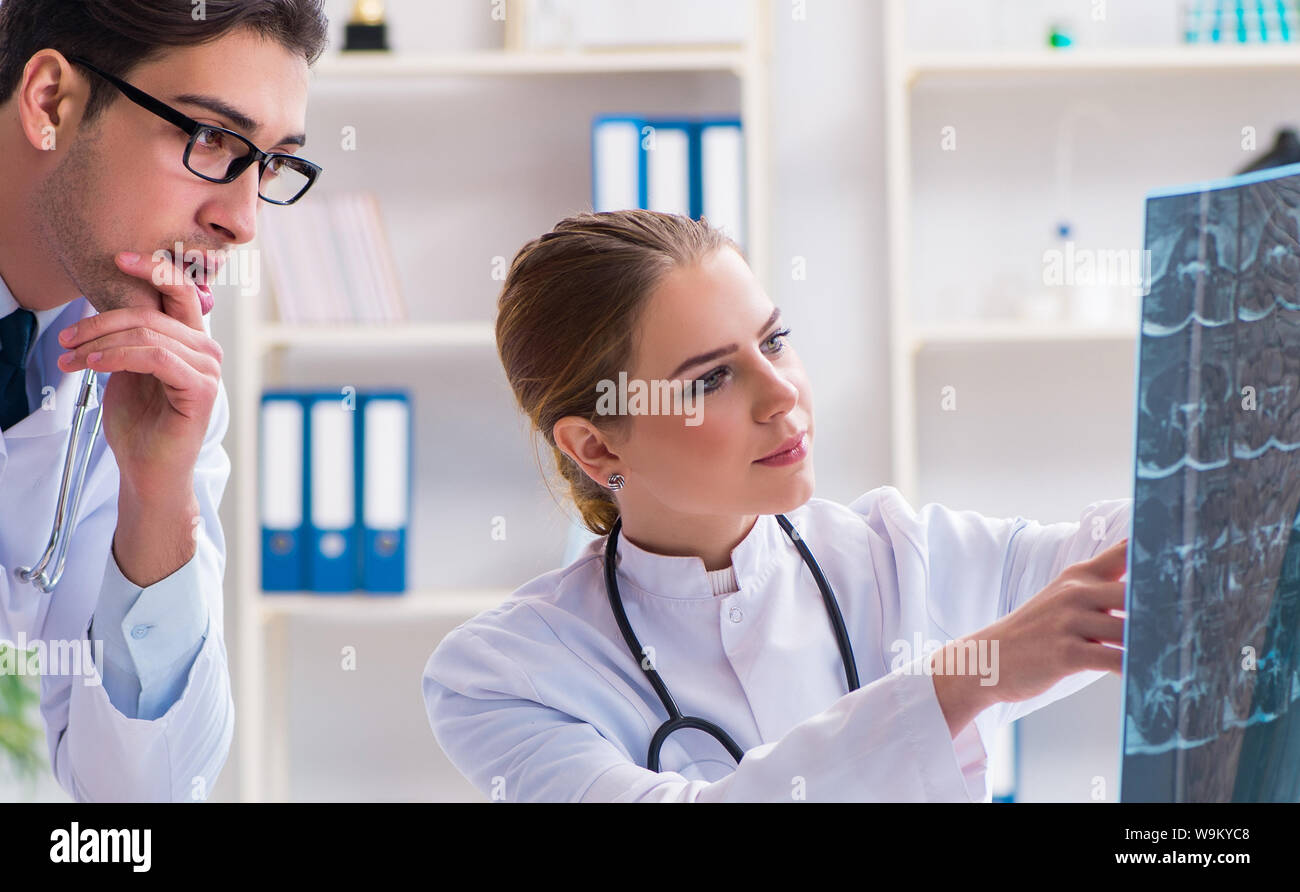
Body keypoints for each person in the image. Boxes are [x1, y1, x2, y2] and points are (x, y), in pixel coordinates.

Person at [422, 209, 1133, 802]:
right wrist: (967, 677)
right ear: (598, 448)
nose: (782, 392)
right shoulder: (505, 674)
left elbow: (1156, 542)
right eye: (712, 378)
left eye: (775, 342)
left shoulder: (900, 555)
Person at [0, 0, 328, 801]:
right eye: (209, 138)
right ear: (51, 102)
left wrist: (157, 500)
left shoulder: (155, 376)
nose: (242, 220)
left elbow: (140, 802)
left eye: (274, 164)